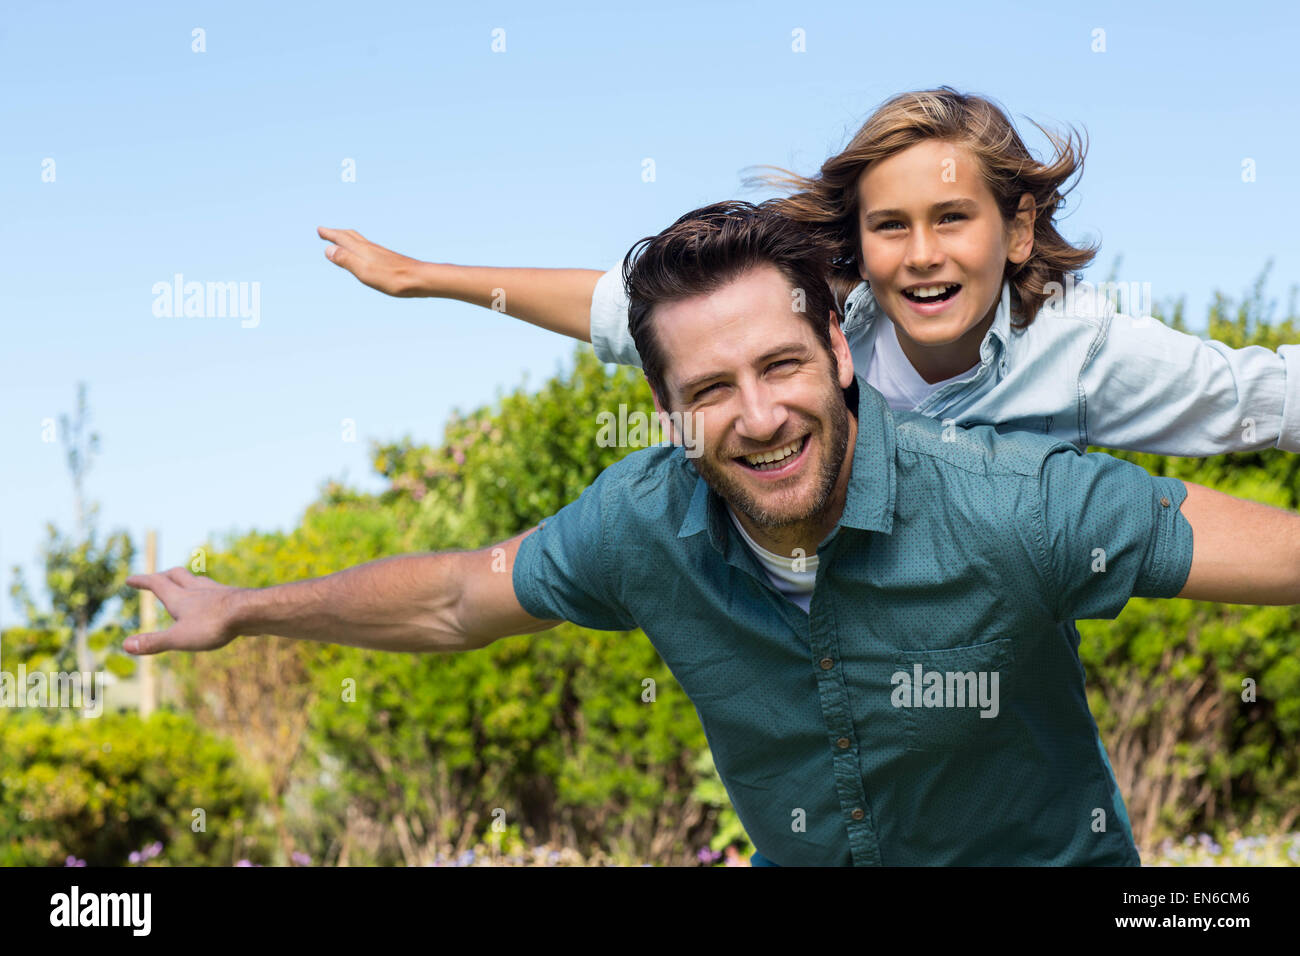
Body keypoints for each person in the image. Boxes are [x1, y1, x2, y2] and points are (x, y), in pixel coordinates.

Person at [127, 202, 1300, 866]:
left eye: (783, 364)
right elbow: (451, 597)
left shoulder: (1018, 502)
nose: (757, 414)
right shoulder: (643, 521)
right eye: (710, 388)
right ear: (665, 410)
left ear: (840, 356)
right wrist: (246, 609)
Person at [318, 87, 1298, 456]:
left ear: (1017, 228)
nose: (920, 254)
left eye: (952, 218)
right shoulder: (820, 315)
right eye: (890, 226)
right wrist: (421, 276)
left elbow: (1252, 394)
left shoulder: (1085, 350)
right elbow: (617, 306)